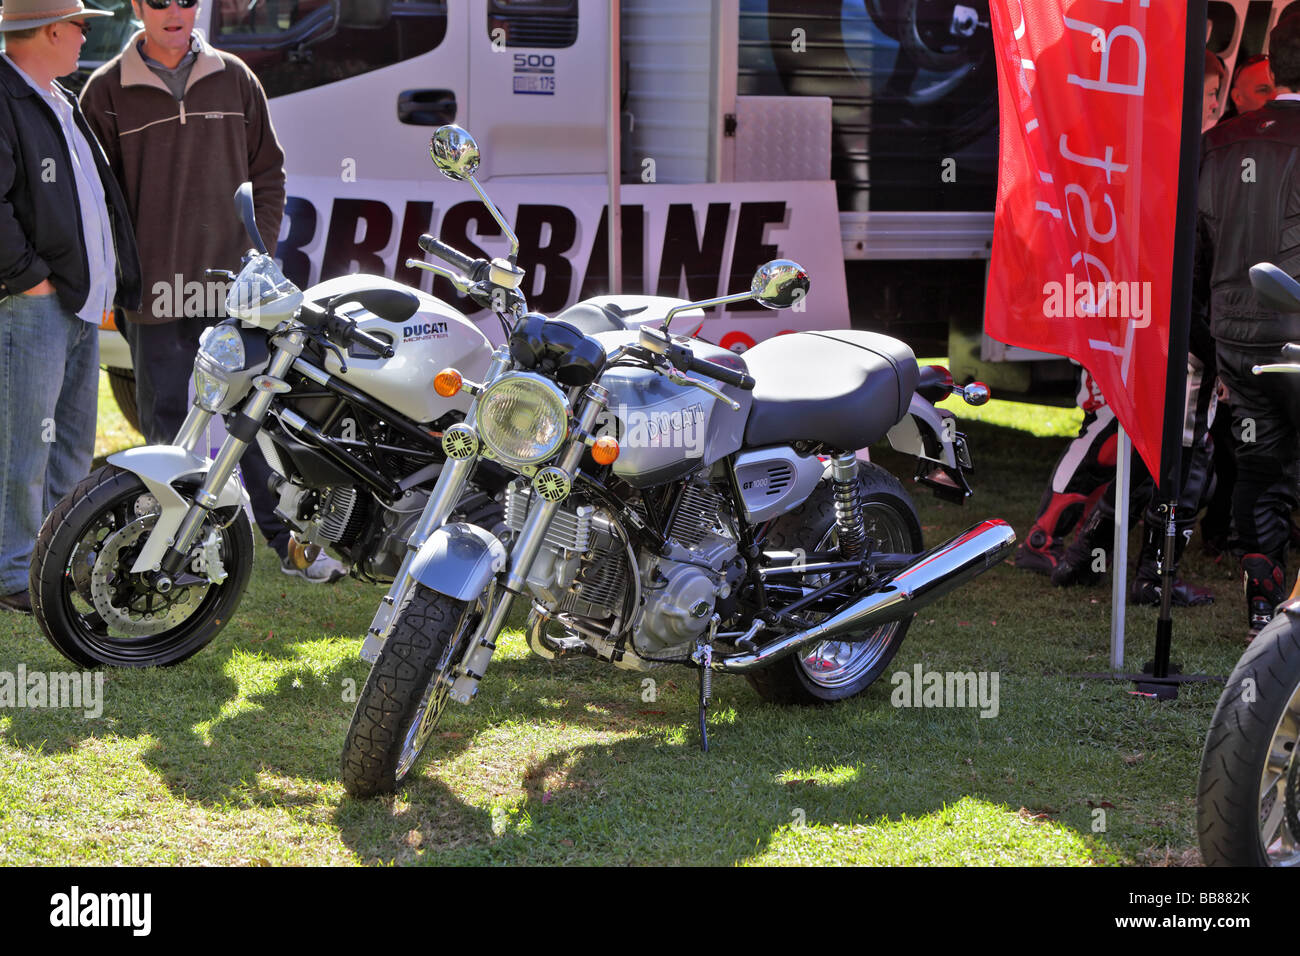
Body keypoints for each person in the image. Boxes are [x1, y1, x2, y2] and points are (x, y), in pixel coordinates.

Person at [80, 0, 345, 583]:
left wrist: (260, 252)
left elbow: (268, 172)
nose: (174, 10)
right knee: (172, 421)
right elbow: (95, 200)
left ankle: (287, 543)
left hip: (232, 290)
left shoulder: (236, 78)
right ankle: (182, 549)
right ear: (136, 7)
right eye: (159, 0)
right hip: (152, 292)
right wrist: (121, 276)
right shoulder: (103, 92)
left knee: (253, 419)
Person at [0, 0, 142, 614]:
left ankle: (60, 559)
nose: (88, 36)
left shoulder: (55, 95)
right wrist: (28, 279)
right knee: (23, 446)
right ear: (53, 29)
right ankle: (12, 574)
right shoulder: (8, 96)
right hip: (38, 305)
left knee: (70, 447)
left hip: (74, 305)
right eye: (82, 25)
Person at [1196, 15, 1300, 639]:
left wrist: (1213, 344)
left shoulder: (1220, 141)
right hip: (1292, 329)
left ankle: (1263, 601)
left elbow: (1196, 253)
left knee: (1259, 466)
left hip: (1236, 336)